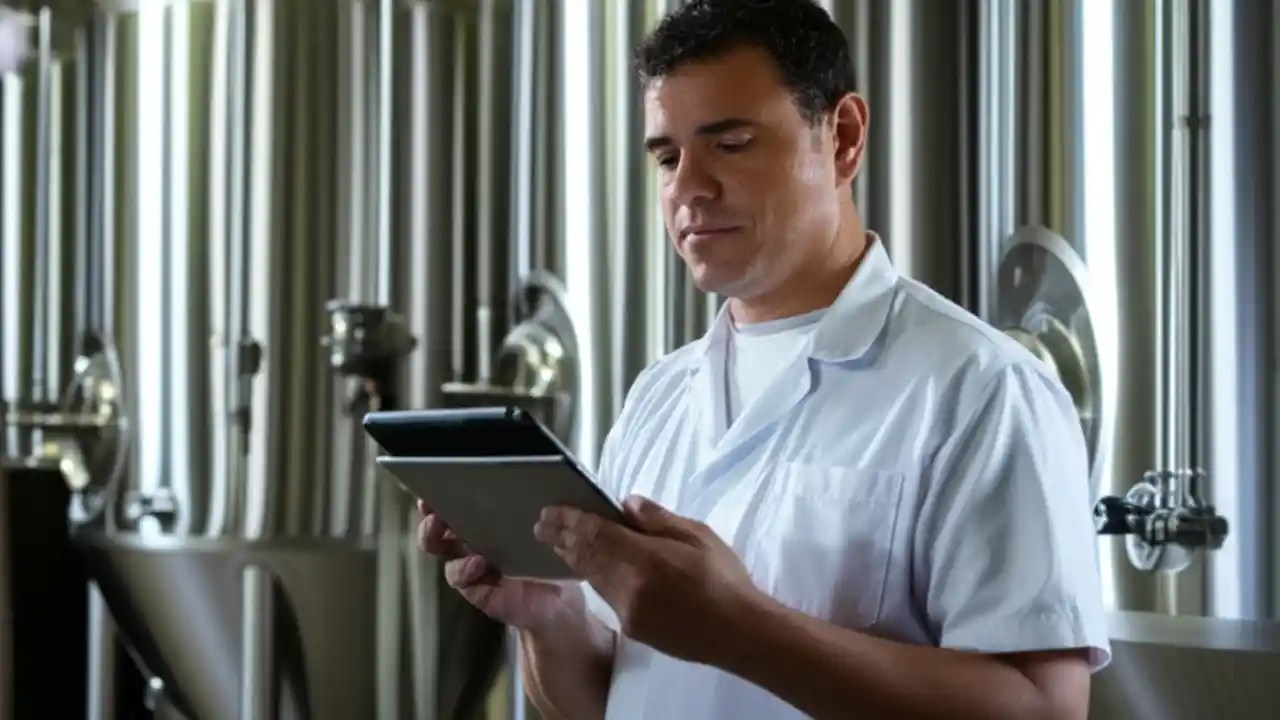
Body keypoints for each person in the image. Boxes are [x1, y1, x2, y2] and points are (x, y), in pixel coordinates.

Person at [418, 0, 1110, 717]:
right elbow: (614, 700)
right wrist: (550, 616)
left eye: (732, 143)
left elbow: (1045, 708)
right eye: (667, 155)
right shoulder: (660, 396)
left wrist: (739, 629)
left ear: (842, 137)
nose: (688, 187)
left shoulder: (982, 390)